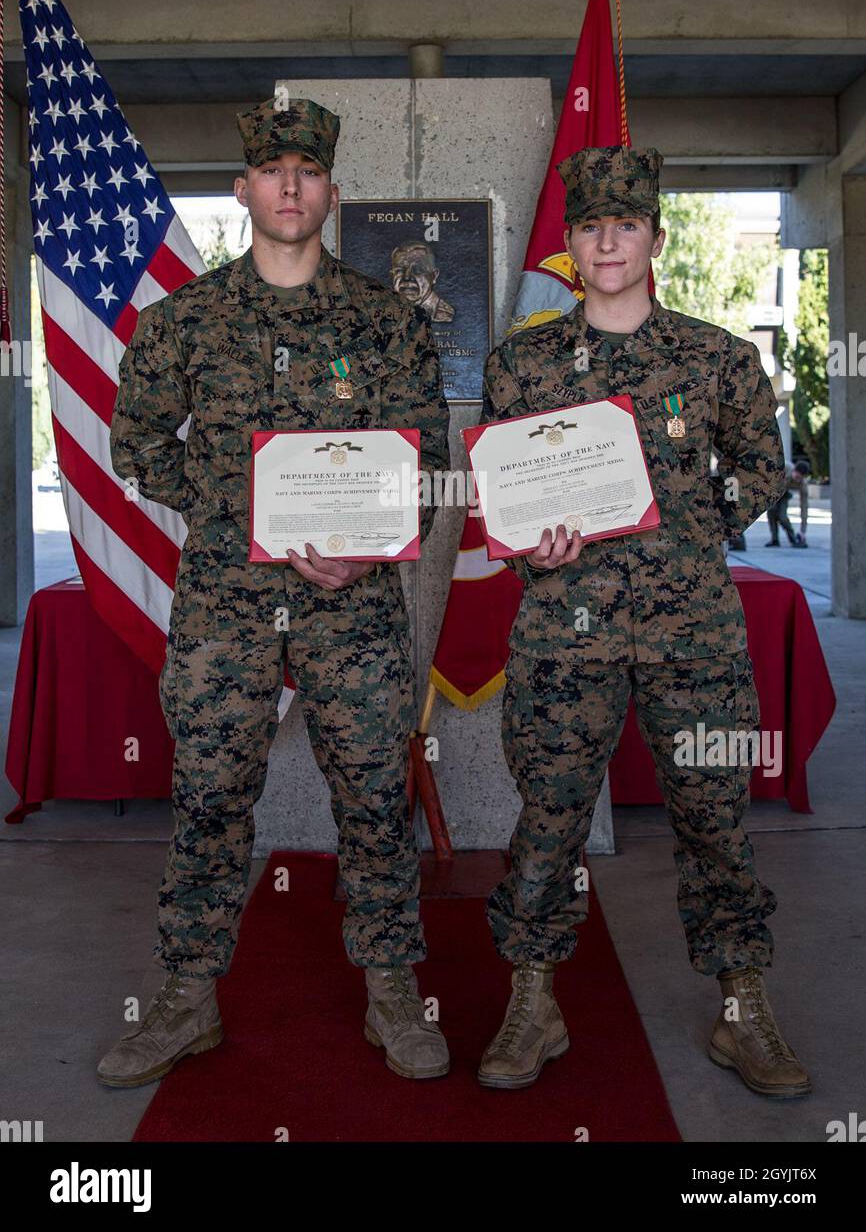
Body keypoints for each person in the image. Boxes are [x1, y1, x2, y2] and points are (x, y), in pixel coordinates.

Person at [98, 96, 452, 1087]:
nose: (290, 185)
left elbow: (426, 463)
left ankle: (391, 989)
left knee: (375, 794)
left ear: (330, 193)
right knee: (210, 795)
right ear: (243, 188)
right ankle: (185, 999)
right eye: (273, 170)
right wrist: (238, 515)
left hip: (353, 604)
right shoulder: (183, 324)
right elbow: (136, 448)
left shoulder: (385, 323)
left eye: (307, 171)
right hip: (227, 601)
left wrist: (362, 544)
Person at [476, 145, 811, 1099]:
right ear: (572, 245)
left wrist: (689, 510)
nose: (608, 240)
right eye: (590, 226)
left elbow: (761, 473)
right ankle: (533, 1003)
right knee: (546, 823)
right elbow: (503, 499)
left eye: (627, 225)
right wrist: (525, 546)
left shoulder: (718, 358)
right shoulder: (525, 364)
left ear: (655, 238)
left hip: (692, 637)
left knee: (714, 823)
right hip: (563, 636)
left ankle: (742, 1012)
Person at [766, 459, 810, 547]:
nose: (798, 481)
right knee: (771, 511)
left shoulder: (803, 485)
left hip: (785, 494)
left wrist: (803, 531)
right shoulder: (784, 467)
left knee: (782, 517)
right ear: (794, 471)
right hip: (773, 489)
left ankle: (793, 538)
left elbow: (804, 507)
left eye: (800, 479)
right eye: (797, 477)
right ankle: (774, 539)